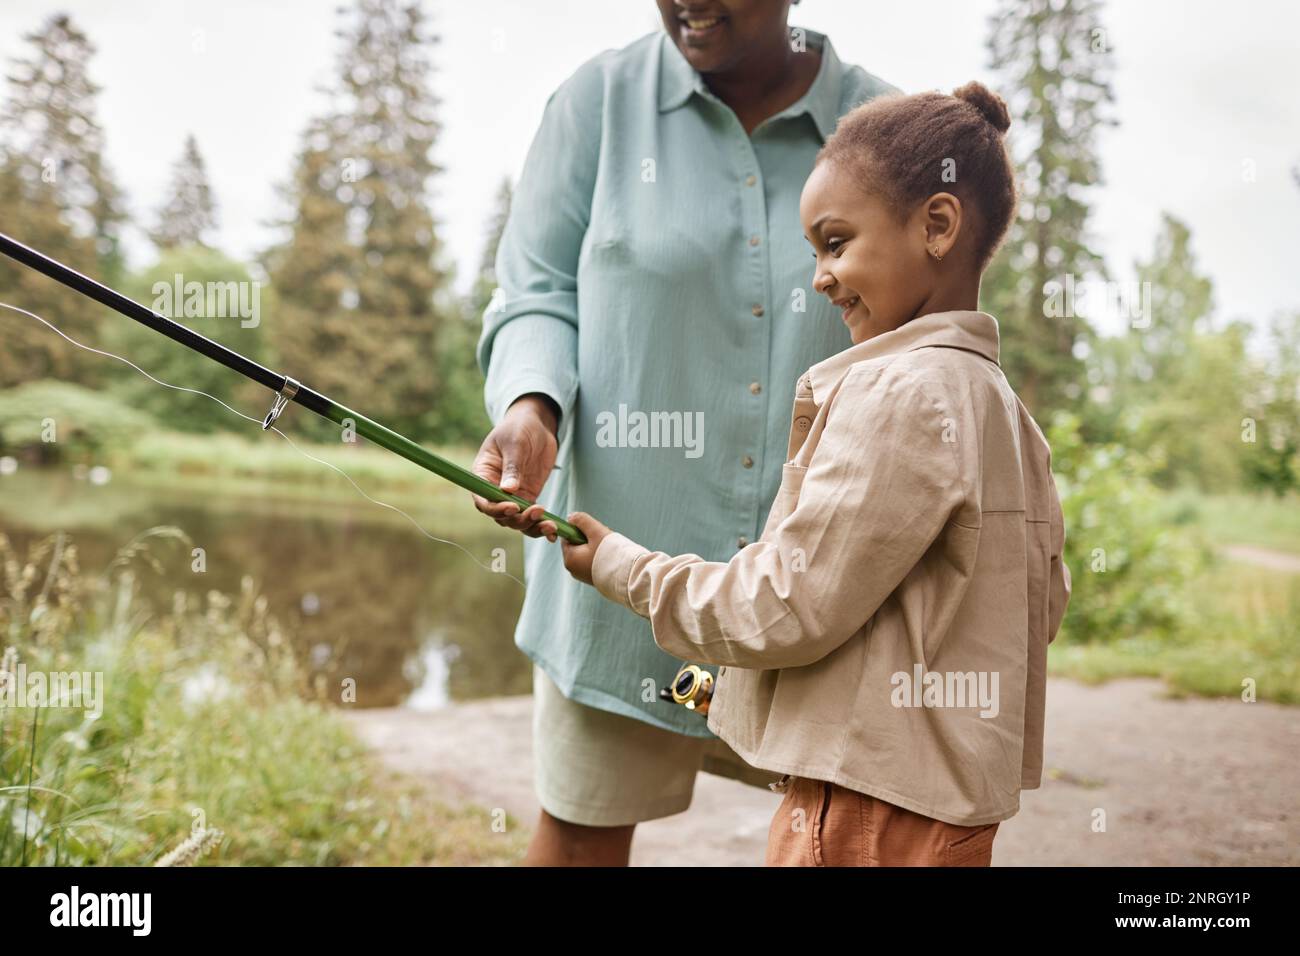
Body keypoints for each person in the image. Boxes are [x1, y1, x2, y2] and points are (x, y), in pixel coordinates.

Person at [553, 81, 1072, 866]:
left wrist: (624, 569)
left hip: (860, 813)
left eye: (835, 243)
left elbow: (784, 607)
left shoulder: (897, 391)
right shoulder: (1006, 413)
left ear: (936, 225)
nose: (820, 277)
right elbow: (1043, 605)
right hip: (953, 817)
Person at [473, 0, 897, 865]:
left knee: (843, 849)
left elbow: (928, 346)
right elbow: (535, 292)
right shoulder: (595, 102)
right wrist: (532, 404)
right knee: (581, 836)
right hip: (614, 579)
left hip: (818, 597)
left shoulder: (888, 132)